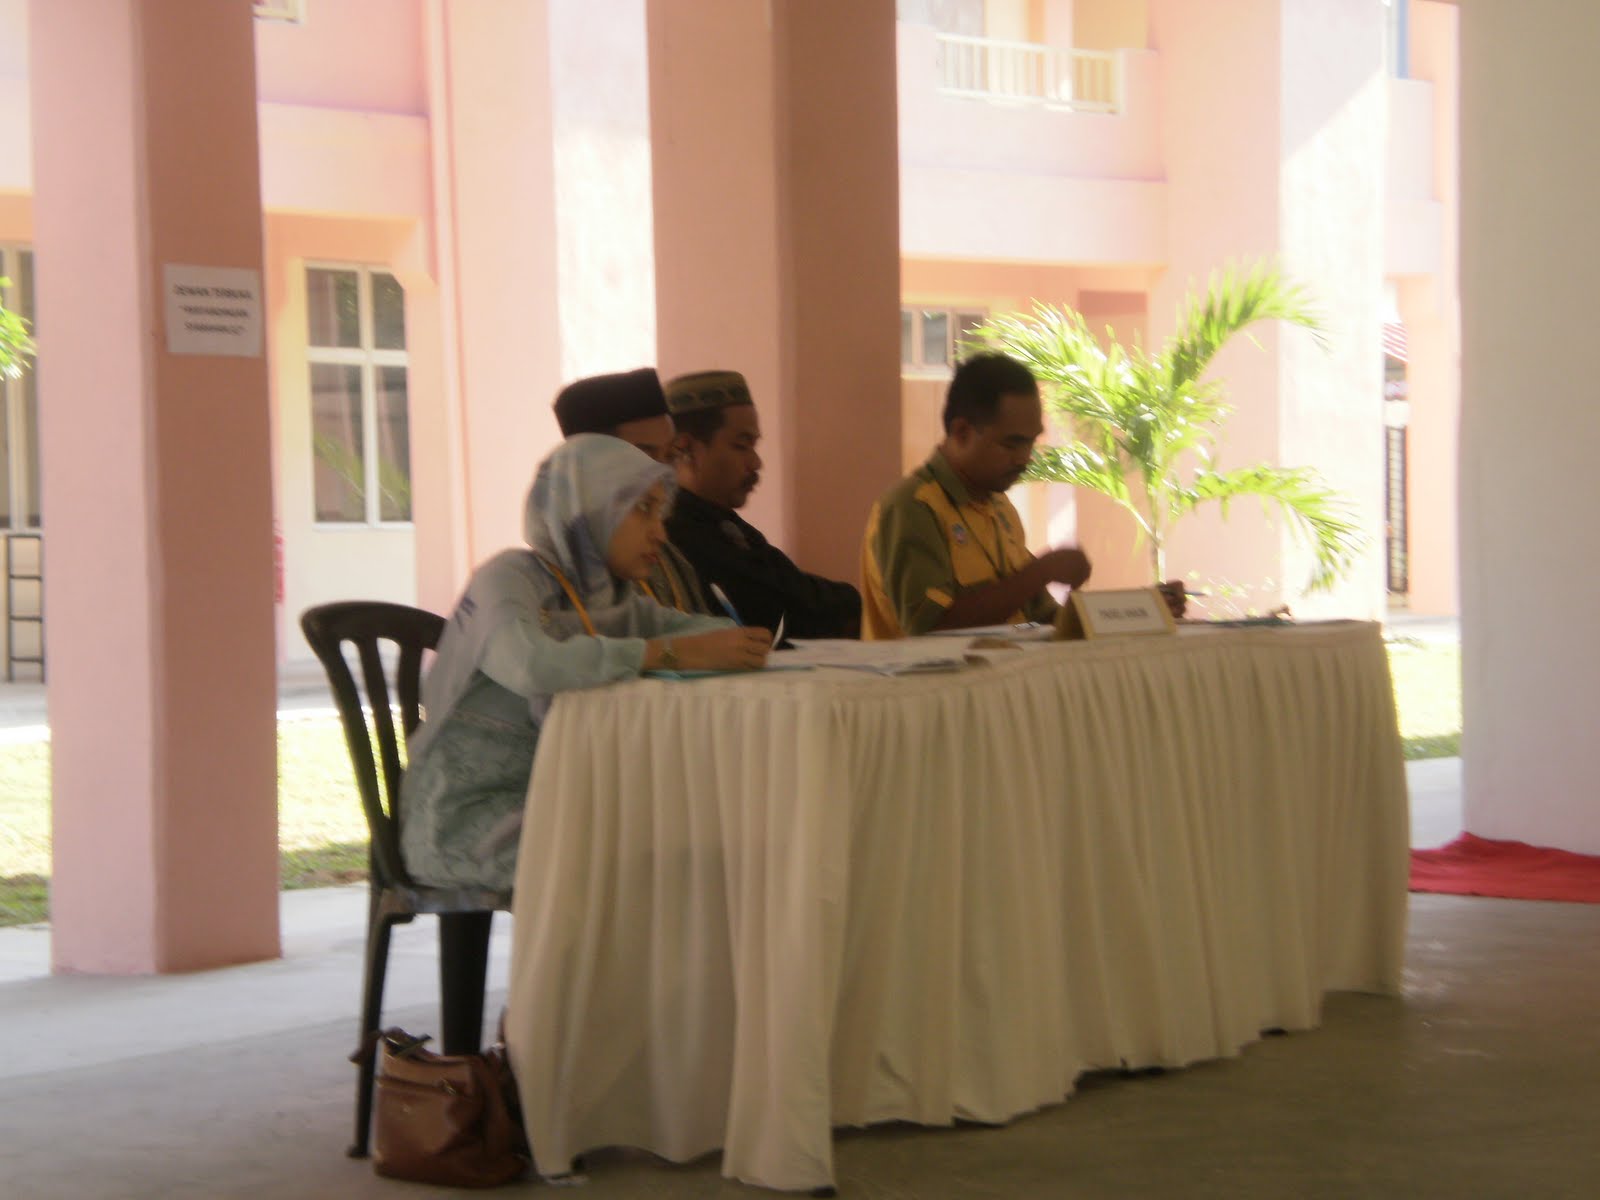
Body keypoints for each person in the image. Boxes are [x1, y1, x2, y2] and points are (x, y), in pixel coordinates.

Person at [399, 435, 771, 890]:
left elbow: (696, 631)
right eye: (642, 509)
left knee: (692, 835)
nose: (660, 531)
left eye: (661, 512)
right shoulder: (509, 578)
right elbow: (528, 665)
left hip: (550, 800)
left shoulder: (611, 598)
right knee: (647, 854)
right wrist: (662, 654)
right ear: (587, 509)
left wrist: (734, 643)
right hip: (462, 819)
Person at [860, 352, 1093, 639]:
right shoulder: (912, 507)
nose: (1025, 459)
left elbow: (1031, 621)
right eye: (1012, 444)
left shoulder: (1001, 508)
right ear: (962, 432)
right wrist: (1039, 573)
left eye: (1031, 443)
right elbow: (931, 630)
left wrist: (1105, 617)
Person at [663, 369, 862, 639]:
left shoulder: (724, 524)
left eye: (754, 446)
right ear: (684, 448)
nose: (755, 463)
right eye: (741, 446)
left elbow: (790, 584)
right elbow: (781, 606)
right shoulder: (677, 529)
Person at [552, 367, 710, 613]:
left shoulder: (667, 555)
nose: (661, 474)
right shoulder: (553, 577)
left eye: (669, 456)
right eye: (644, 457)